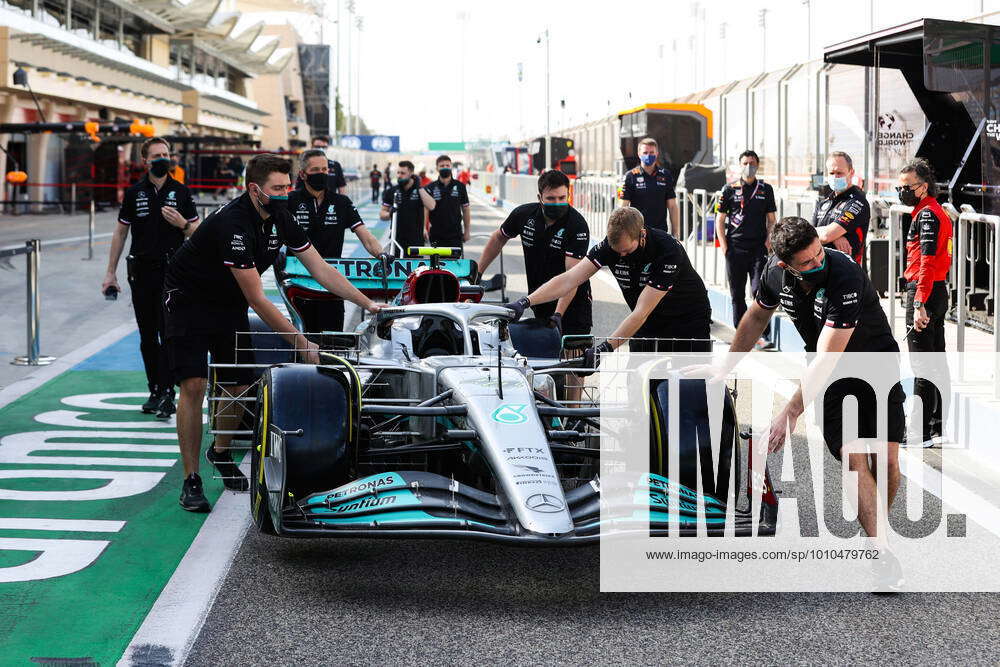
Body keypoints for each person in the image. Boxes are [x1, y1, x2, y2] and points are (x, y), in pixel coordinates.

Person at [162, 154, 383, 512]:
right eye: (277, 188)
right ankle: (191, 479)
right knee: (194, 385)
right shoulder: (234, 223)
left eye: (287, 186)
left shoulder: (281, 216)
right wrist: (301, 342)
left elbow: (320, 269)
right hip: (188, 300)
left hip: (226, 300)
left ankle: (218, 452)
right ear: (255, 190)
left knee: (237, 384)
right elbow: (257, 298)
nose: (286, 193)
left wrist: (368, 303)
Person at [717, 216, 904, 588]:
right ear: (785, 264)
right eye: (808, 261)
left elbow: (827, 355)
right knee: (854, 458)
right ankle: (881, 550)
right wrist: (724, 368)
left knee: (887, 462)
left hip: (875, 362)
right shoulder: (774, 275)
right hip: (833, 378)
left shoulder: (844, 275)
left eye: (820, 252)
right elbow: (755, 317)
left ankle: (875, 525)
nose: (818, 262)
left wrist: (790, 412)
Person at [504, 206, 712, 364]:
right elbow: (569, 279)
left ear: (642, 235)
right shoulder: (610, 247)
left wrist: (604, 349)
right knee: (640, 382)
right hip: (648, 322)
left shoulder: (668, 251)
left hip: (687, 320)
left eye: (626, 252)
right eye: (616, 251)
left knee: (689, 385)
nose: (620, 256)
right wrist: (525, 302)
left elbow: (641, 311)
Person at [102, 137, 200, 420]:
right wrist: (110, 272)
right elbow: (121, 233)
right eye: (156, 155)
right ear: (145, 161)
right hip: (141, 272)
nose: (162, 158)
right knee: (147, 335)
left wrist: (182, 224)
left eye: (166, 154)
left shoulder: (180, 191)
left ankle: (169, 392)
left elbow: (197, 231)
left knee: (168, 332)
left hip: (173, 273)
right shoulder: (134, 193)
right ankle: (155, 389)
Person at [478, 169, 593, 340]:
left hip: (572, 306)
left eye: (562, 198)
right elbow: (498, 238)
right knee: (541, 358)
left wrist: (558, 314)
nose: (557, 203)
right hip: (538, 299)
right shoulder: (524, 215)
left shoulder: (577, 225)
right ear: (540, 198)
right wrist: (478, 274)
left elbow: (572, 278)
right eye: (551, 199)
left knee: (571, 362)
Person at [289, 149, 391, 331]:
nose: (322, 174)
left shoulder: (341, 202)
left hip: (334, 285)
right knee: (302, 341)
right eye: (315, 170)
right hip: (298, 283)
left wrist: (381, 254)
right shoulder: (289, 201)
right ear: (303, 174)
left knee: (334, 341)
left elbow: (366, 237)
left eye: (325, 169)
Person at [898, 158, 953, 447]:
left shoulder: (928, 214)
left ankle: (919, 432)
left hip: (925, 292)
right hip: (937, 290)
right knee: (936, 361)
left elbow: (927, 261)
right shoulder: (935, 211)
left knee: (922, 365)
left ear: (923, 186)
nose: (902, 191)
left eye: (907, 186)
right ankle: (937, 427)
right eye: (900, 186)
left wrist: (919, 301)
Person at [715, 149, 776, 346]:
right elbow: (720, 219)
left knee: (759, 290)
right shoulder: (729, 189)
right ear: (739, 165)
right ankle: (741, 334)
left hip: (758, 249)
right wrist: (724, 246)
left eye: (752, 163)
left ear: (757, 165)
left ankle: (763, 334)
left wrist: (769, 241)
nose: (748, 166)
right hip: (735, 249)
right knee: (737, 294)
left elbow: (772, 220)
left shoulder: (766, 189)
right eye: (745, 163)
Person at [811, 151, 870, 265]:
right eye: (832, 173)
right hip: (820, 269)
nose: (835, 177)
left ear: (851, 173)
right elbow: (807, 232)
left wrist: (829, 235)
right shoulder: (823, 203)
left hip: (847, 272)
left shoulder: (857, 202)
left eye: (840, 173)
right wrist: (835, 237)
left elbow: (825, 235)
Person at [620, 137, 680, 237]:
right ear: (639, 154)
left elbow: (673, 206)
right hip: (637, 232)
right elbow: (623, 207)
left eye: (652, 152)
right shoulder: (630, 176)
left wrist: (676, 232)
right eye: (645, 152)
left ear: (657, 154)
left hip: (660, 232)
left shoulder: (665, 175)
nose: (649, 155)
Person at [421, 155, 471, 251]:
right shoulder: (430, 187)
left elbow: (465, 209)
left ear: (451, 167)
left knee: (454, 265)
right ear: (437, 168)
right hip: (436, 234)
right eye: (442, 166)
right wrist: (424, 228)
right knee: (436, 265)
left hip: (455, 234)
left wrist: (467, 231)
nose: (445, 168)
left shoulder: (460, 186)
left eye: (447, 165)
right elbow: (425, 210)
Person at [380, 160, 426, 256]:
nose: (399, 175)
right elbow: (382, 214)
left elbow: (431, 206)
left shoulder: (421, 191)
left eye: (403, 173)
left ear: (411, 173)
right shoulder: (391, 191)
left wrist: (419, 187)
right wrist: (390, 213)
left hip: (416, 241)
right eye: (398, 172)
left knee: (416, 270)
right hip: (397, 240)